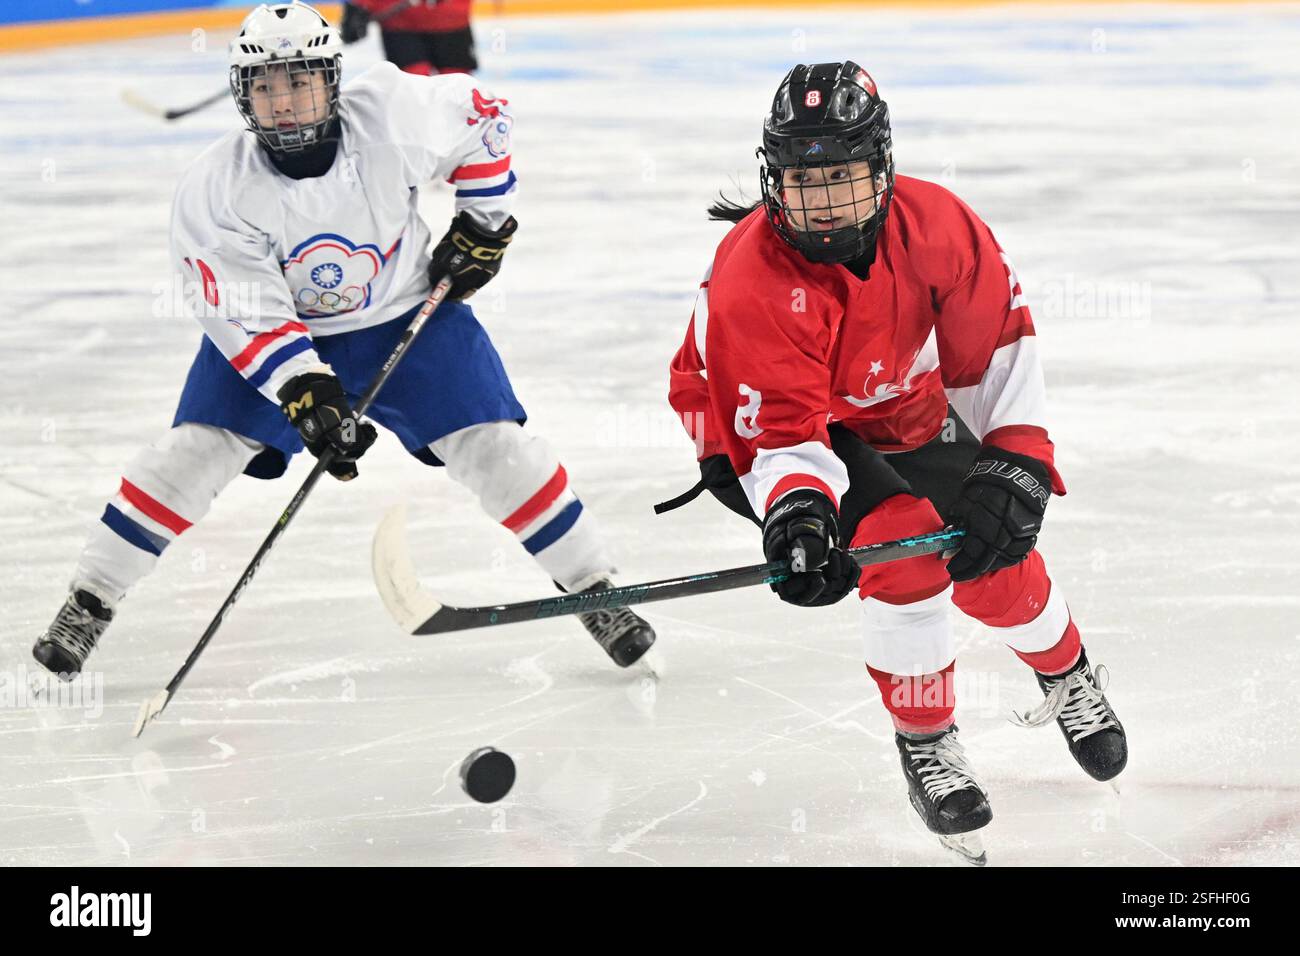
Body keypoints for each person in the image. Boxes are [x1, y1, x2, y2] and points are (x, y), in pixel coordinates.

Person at [33, 1, 654, 681]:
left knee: (497, 448)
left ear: (330, 80)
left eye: (299, 82)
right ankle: (89, 602)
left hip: (408, 318)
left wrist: (484, 223)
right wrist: (304, 389)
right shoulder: (216, 189)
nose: (285, 103)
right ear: (245, 97)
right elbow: (244, 306)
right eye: (267, 88)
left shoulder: (390, 113)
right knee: (188, 456)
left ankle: (596, 589)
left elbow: (482, 116)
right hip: (287, 338)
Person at [664, 61, 1126, 862]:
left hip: (903, 409)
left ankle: (1069, 672)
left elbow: (995, 359)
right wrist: (801, 512)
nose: (824, 200)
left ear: (881, 165)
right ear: (774, 180)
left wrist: (1012, 464)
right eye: (805, 180)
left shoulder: (941, 226)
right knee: (902, 553)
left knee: (995, 560)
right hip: (778, 428)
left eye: (841, 175)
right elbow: (782, 429)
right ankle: (926, 741)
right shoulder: (752, 278)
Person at [340, 0, 476, 76]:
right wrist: (360, 4)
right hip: (401, 27)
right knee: (413, 85)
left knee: (458, 87)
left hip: (451, 23)